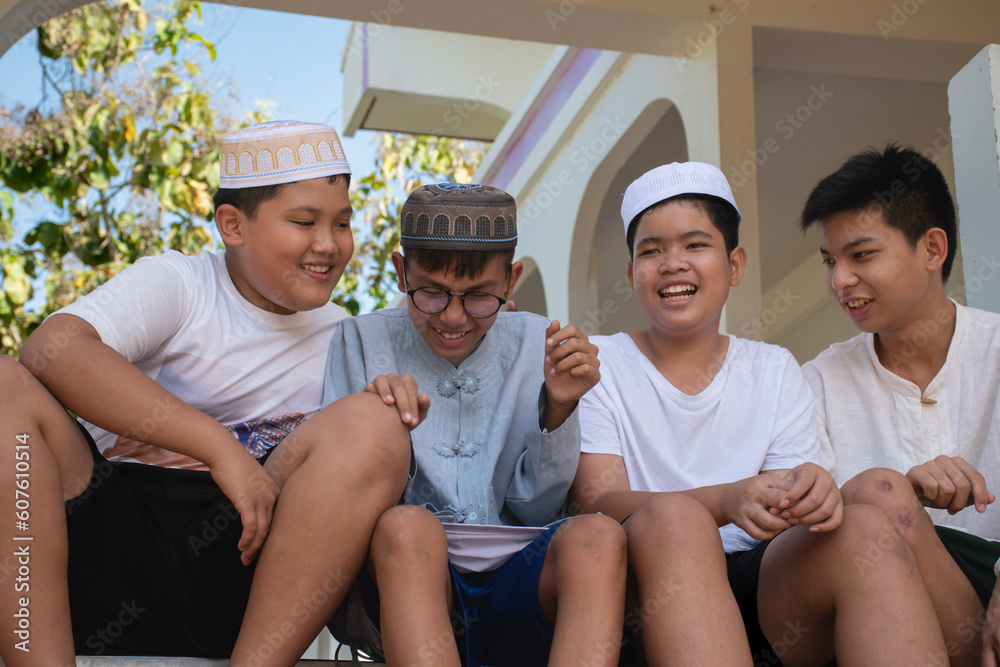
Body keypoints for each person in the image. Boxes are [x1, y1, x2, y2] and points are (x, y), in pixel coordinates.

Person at [0, 120, 414, 666]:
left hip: (241, 568)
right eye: (304, 221)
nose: (328, 245)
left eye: (342, 223)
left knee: (374, 423)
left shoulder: (348, 336)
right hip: (113, 539)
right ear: (232, 225)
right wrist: (219, 449)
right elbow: (52, 350)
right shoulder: (182, 283)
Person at [569, 161, 949, 666]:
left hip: (762, 578)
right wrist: (725, 500)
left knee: (862, 527)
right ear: (632, 274)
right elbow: (596, 502)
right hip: (648, 580)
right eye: (651, 251)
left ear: (735, 264)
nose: (672, 263)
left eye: (695, 245)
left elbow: (791, 509)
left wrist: (810, 492)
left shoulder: (772, 367)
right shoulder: (599, 363)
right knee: (678, 522)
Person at [323, 182, 627, 667]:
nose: (455, 317)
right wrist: (368, 425)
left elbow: (536, 510)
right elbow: (336, 504)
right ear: (402, 272)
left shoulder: (538, 341)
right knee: (405, 528)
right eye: (432, 293)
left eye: (481, 297)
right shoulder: (359, 340)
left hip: (523, 581)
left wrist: (560, 408)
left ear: (511, 282)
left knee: (599, 536)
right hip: (410, 575)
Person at [799, 143, 1000, 667]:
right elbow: (808, 531)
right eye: (830, 261)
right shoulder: (816, 382)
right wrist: (899, 497)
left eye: (861, 255)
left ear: (932, 249)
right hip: (884, 615)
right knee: (880, 498)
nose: (839, 281)